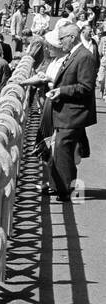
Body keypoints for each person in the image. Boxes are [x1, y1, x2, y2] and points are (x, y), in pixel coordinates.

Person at [45, 19, 99, 201]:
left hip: (73, 113)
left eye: (62, 39)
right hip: (66, 111)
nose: (60, 43)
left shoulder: (85, 57)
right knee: (61, 149)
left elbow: (86, 87)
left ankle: (64, 190)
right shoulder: (74, 54)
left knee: (63, 148)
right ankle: (57, 186)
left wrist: (61, 91)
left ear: (72, 37)